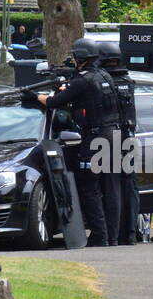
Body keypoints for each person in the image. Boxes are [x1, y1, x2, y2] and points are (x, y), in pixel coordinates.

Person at [38, 37, 122, 247]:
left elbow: (53, 102)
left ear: (81, 58)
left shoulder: (82, 80)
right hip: (114, 135)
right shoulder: (105, 76)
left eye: (75, 56)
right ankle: (113, 236)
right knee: (110, 187)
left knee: (89, 187)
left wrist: (37, 96)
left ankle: (99, 235)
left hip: (95, 138)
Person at [96, 38, 139, 246]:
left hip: (111, 138)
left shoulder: (104, 82)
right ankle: (130, 234)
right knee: (129, 185)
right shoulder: (128, 81)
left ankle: (111, 235)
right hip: (129, 137)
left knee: (111, 186)